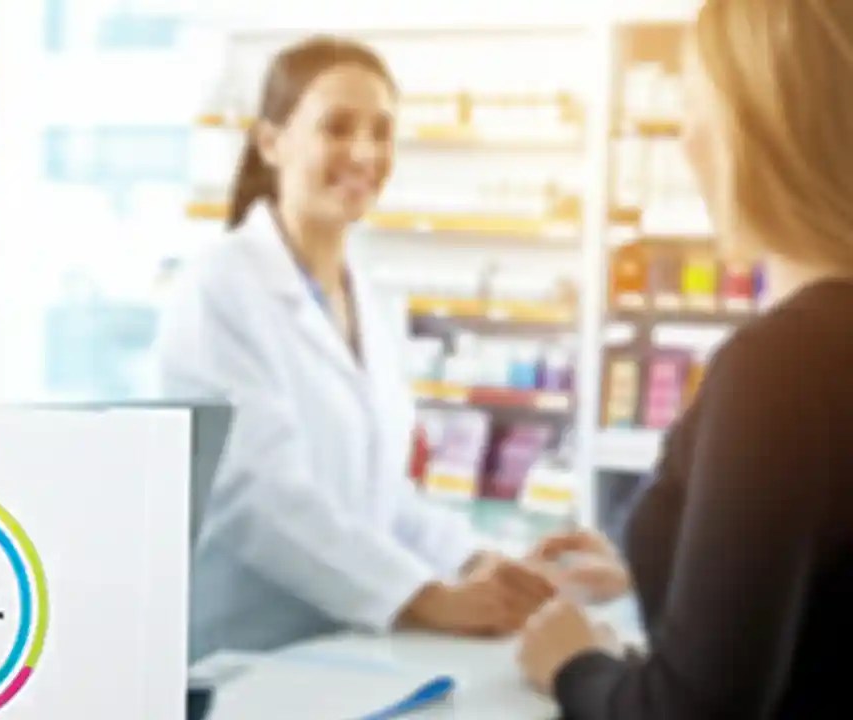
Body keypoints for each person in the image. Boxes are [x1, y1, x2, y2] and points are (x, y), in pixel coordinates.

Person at [155, 36, 624, 663]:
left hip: (344, 655)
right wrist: (428, 597)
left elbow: (384, 498)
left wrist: (482, 563)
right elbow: (259, 501)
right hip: (244, 658)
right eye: (338, 128)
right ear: (271, 142)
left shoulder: (370, 299)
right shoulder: (218, 288)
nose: (366, 153)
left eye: (382, 131)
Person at [518, 0, 853, 716]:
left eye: (697, 106)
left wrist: (574, 665)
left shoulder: (780, 366)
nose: (685, 141)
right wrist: (674, 567)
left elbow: (694, 711)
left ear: (761, 129)